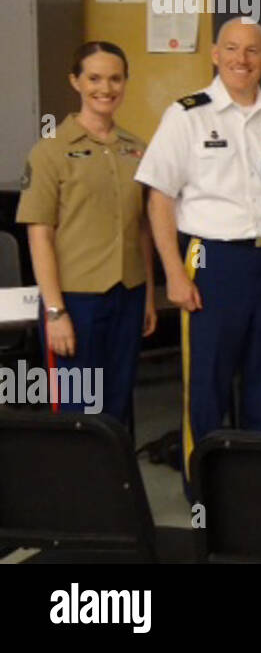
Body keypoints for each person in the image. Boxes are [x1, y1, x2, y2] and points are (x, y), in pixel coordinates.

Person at [136, 18, 261, 497]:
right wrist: (173, 272)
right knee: (208, 379)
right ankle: (207, 491)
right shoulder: (187, 115)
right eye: (232, 49)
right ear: (215, 54)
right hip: (211, 261)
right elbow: (160, 199)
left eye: (252, 51)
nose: (242, 59)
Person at [18, 41, 156, 424]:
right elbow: (39, 234)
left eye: (115, 79)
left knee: (119, 406)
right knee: (80, 413)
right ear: (75, 82)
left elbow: (141, 228)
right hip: (76, 301)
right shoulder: (50, 152)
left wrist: (145, 297)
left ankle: (117, 486)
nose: (105, 88)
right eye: (94, 78)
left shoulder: (136, 150)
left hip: (126, 295)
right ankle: (77, 486)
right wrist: (55, 311)